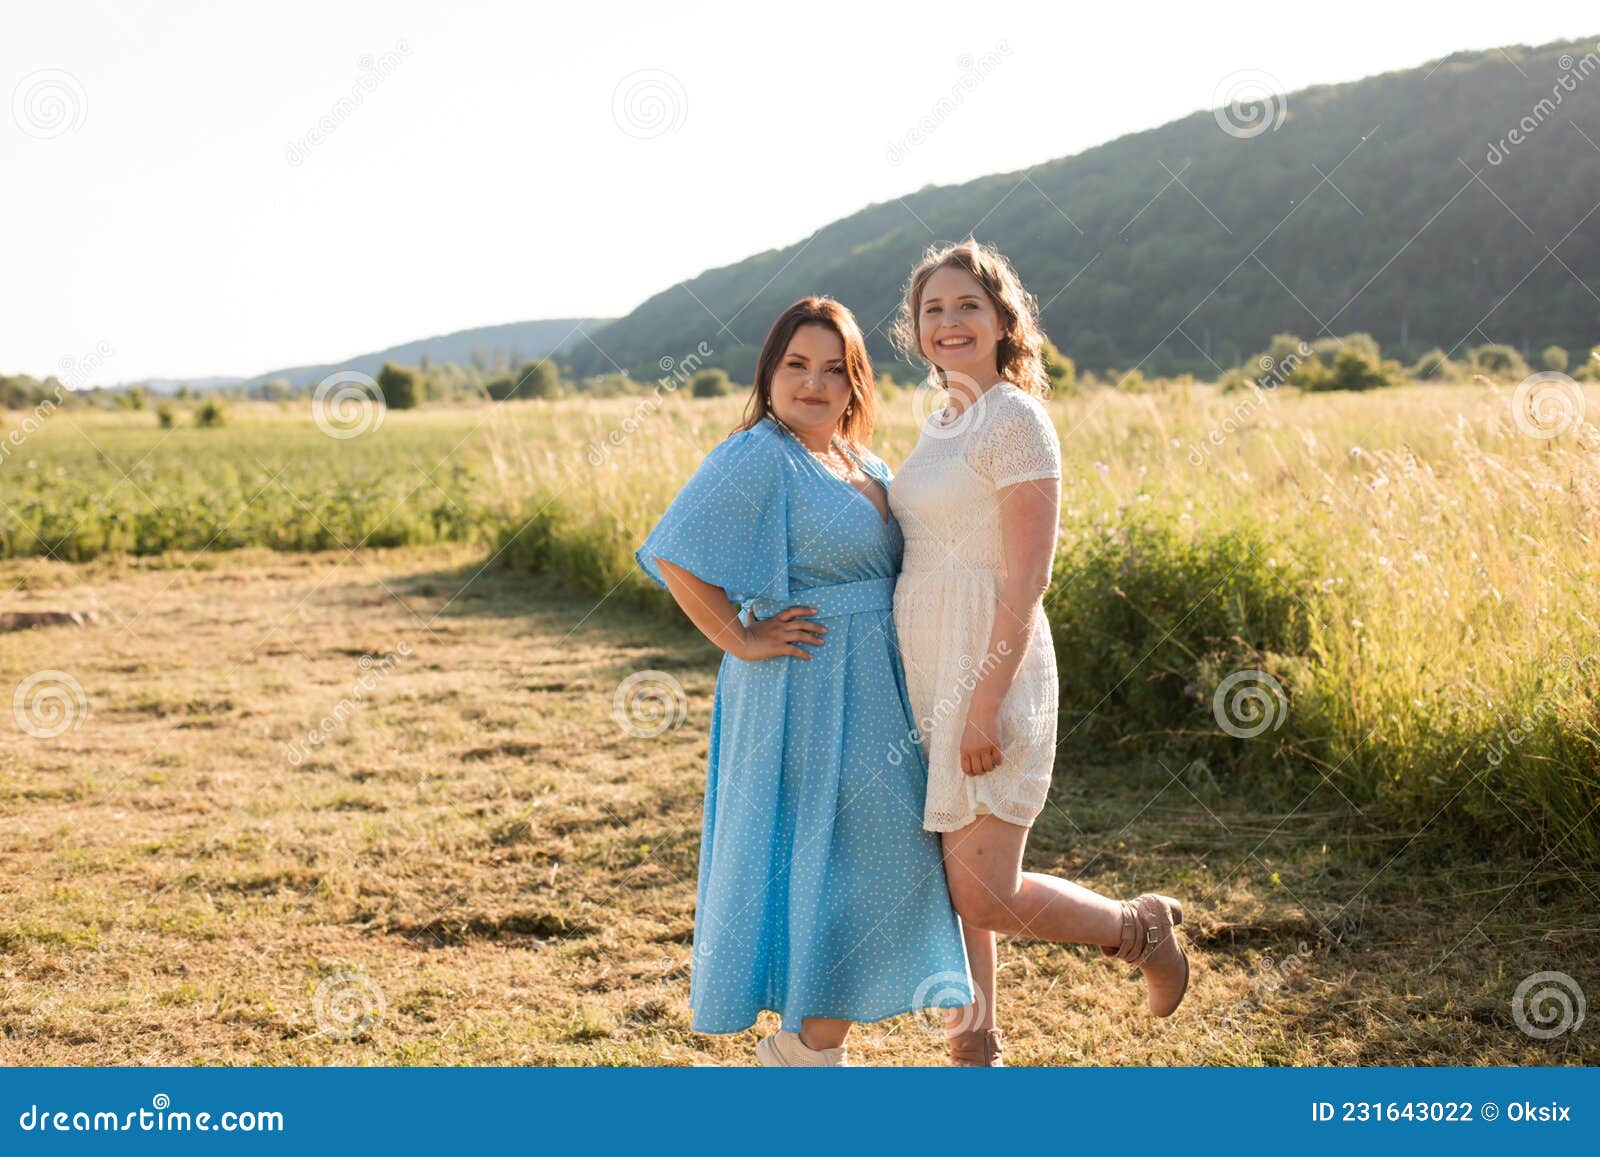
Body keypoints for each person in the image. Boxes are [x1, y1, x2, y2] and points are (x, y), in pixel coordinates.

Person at [635, 296, 972, 1067]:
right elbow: (676, 553)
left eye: (832, 368)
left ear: (855, 381)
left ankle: (801, 1052)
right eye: (796, 365)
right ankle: (806, 1058)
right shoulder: (760, 453)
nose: (812, 383)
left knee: (870, 863)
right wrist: (740, 637)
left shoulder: (864, 464)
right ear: (771, 372)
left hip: (877, 691)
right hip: (803, 688)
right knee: (844, 860)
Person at [888, 240, 1190, 1067]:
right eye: (933, 309)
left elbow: (1028, 578)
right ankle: (974, 1041)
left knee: (981, 884)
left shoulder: (1017, 418)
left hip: (991, 666)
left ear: (1001, 319)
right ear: (916, 329)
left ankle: (1137, 930)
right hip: (927, 667)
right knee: (952, 868)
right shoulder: (941, 421)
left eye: (967, 306)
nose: (949, 322)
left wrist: (984, 699)